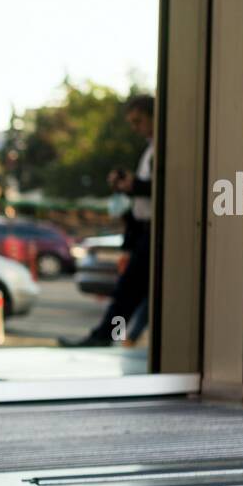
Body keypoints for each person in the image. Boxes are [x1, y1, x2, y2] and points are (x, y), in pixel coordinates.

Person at [60, 94, 155, 348]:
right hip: (143, 232)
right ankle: (113, 336)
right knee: (131, 292)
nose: (135, 128)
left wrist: (133, 185)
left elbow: (163, 189)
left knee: (129, 291)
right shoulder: (150, 150)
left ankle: (108, 336)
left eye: (139, 121)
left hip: (155, 233)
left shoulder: (161, 150)